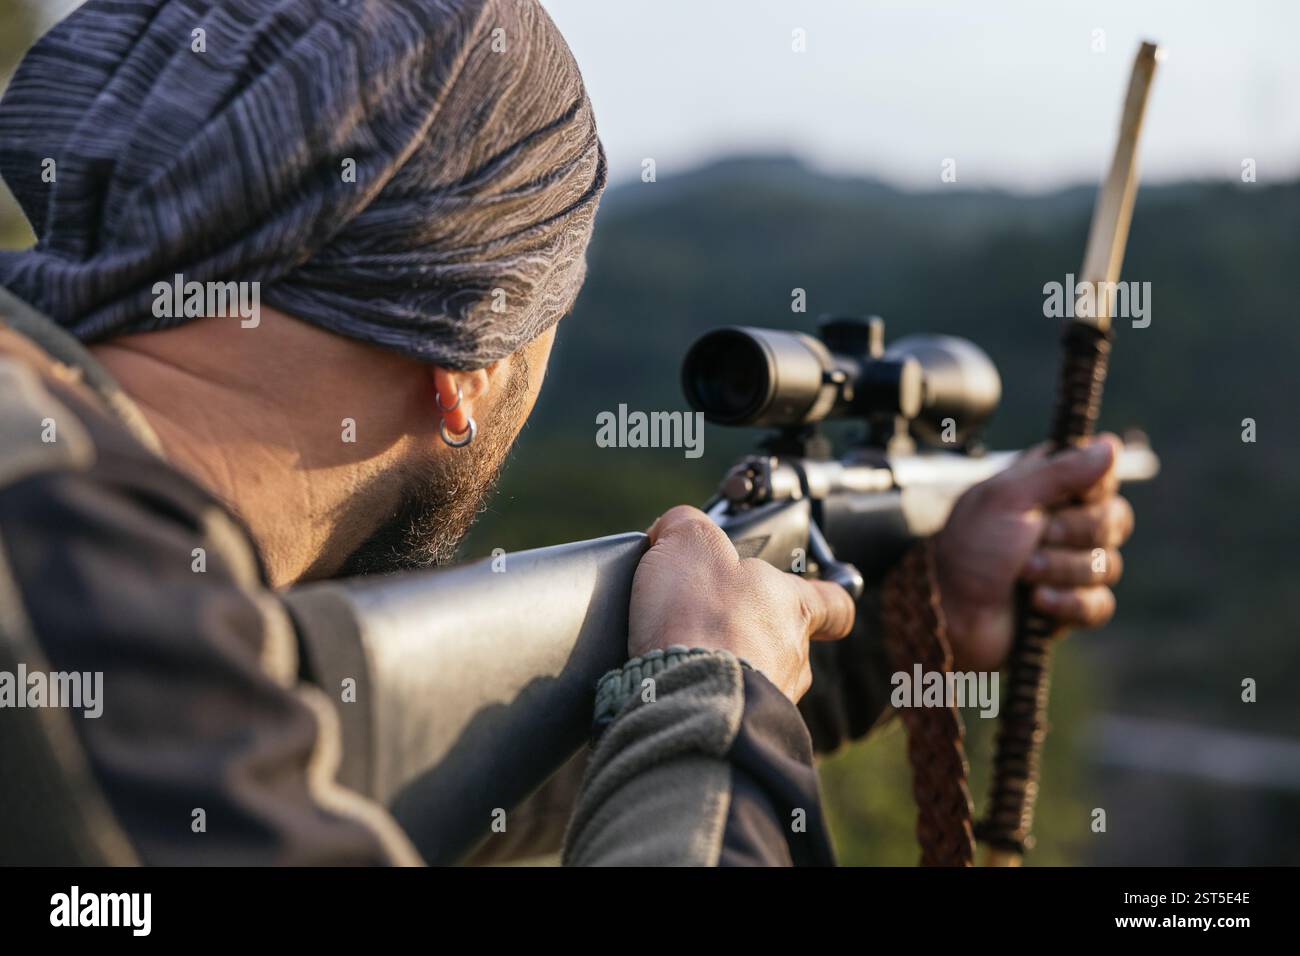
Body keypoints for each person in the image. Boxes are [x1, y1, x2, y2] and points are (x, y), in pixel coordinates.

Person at [0, 0, 1133, 866]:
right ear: (469, 361)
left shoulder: (102, 556)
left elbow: (326, 773)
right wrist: (715, 698)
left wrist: (874, 636)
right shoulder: (68, 569)